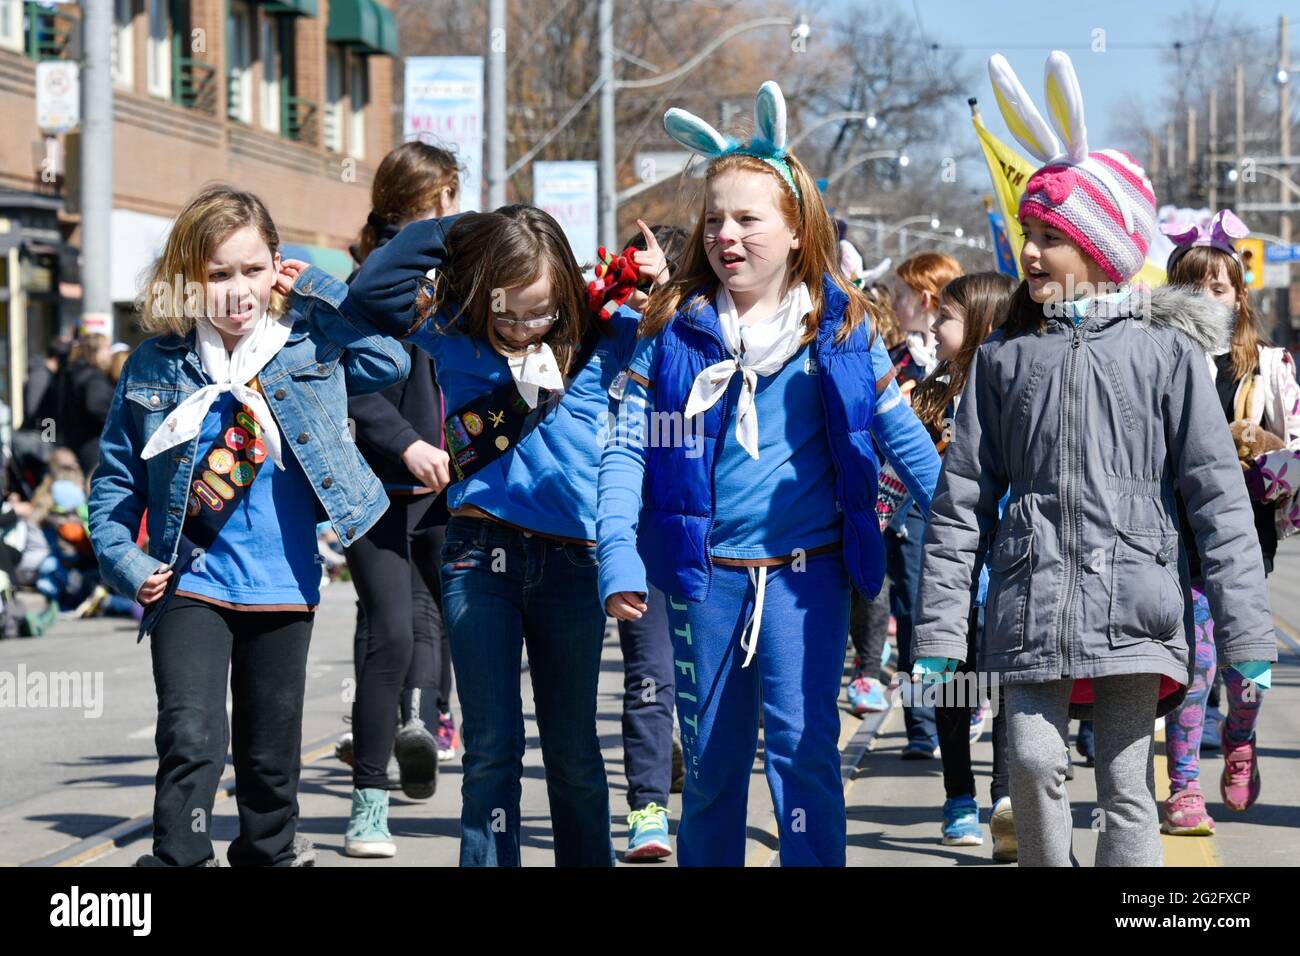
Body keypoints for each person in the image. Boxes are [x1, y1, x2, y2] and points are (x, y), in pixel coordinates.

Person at [912, 51, 1276, 867]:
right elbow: (962, 498)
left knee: (1124, 784)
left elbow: (1217, 496)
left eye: (1052, 237)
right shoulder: (1005, 361)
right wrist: (939, 628)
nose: (1032, 253)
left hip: (1138, 609)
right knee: (1035, 762)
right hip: (1029, 605)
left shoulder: (1166, 356)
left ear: (1104, 249)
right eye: (1028, 235)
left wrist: (1247, 626)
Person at [598, 81, 940, 866]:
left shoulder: (844, 330)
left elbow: (908, 448)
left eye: (748, 219)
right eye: (715, 219)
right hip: (703, 581)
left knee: (803, 760)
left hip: (804, 579)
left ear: (795, 231)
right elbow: (625, 448)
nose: (726, 235)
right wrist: (617, 551)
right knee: (714, 769)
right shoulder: (672, 333)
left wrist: (970, 527)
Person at [87, 184, 408, 867]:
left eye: (253, 270)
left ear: (277, 267)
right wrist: (131, 565)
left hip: (284, 585)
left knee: (269, 759)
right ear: (188, 280)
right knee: (192, 739)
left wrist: (321, 289)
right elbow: (113, 482)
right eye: (218, 274)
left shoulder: (309, 343)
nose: (238, 290)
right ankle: (180, 860)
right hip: (188, 585)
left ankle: (270, 857)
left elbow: (392, 361)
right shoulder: (156, 363)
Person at [346, 204, 659, 866]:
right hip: (477, 558)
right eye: (507, 314)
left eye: (540, 313)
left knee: (573, 751)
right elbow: (370, 293)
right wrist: (456, 230)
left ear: (568, 296)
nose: (521, 329)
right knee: (493, 750)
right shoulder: (457, 337)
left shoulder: (609, 338)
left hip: (573, 563)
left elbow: (698, 333)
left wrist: (660, 287)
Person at [1158, 209, 1299, 834]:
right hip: (1176, 532)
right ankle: (1184, 788)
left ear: (1238, 293)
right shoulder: (1155, 357)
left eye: (1216, 286)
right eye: (1190, 286)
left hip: (1244, 535)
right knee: (1195, 666)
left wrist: (1264, 447)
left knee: (1246, 666)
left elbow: (1295, 452)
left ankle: (1240, 737)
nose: (1204, 298)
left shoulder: (1267, 367)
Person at [339, 141, 462, 857]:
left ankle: (426, 719)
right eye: (449, 196)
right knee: (389, 628)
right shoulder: (373, 279)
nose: (455, 209)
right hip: (376, 481)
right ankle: (368, 804)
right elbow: (344, 386)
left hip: (450, 483)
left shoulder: (458, 277)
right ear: (431, 200)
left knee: (440, 617)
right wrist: (406, 441)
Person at [909, 271, 1016, 854]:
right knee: (951, 683)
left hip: (1007, 568)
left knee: (1002, 685)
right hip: (948, 569)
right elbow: (894, 476)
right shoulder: (927, 396)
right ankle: (957, 794)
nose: (932, 325)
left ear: (981, 324)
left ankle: (1004, 795)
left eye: (945, 317)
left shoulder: (1014, 389)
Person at [888, 252, 963, 758]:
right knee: (912, 611)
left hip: (960, 500)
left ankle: (960, 709)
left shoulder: (971, 360)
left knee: (960, 617)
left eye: (901, 293)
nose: (893, 302)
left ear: (926, 299)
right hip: (905, 507)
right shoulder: (892, 360)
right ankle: (921, 724)